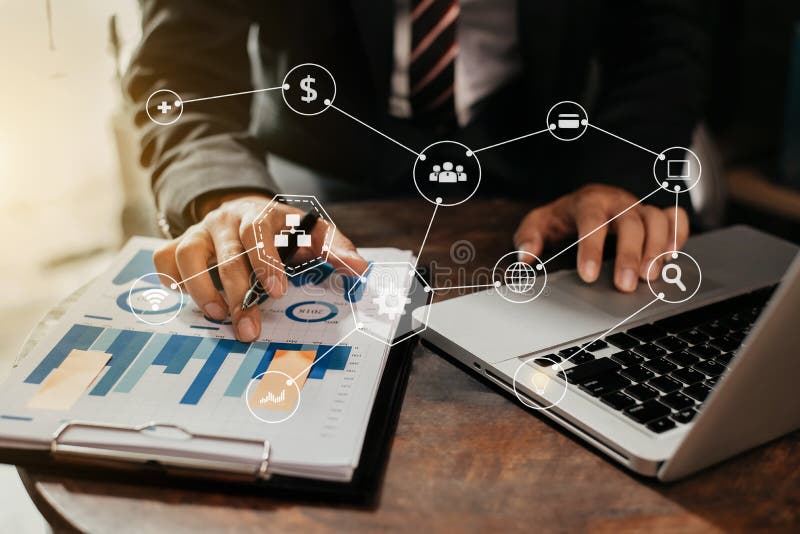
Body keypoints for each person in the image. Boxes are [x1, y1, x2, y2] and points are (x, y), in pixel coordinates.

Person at [125, 0, 705, 342]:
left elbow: (663, 36)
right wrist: (228, 193)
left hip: (547, 160)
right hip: (315, 171)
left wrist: (616, 175)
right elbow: (181, 63)